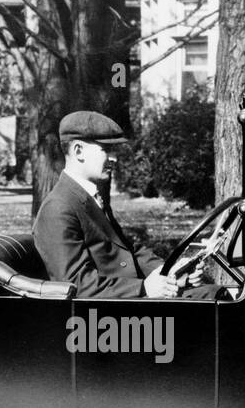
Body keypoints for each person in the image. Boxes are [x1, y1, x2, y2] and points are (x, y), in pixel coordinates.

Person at [33, 110, 223, 300]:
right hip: (105, 318)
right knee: (216, 299)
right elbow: (77, 286)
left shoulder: (87, 197)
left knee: (217, 294)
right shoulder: (58, 208)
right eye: (106, 150)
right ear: (78, 151)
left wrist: (173, 272)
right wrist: (144, 289)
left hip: (125, 302)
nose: (114, 159)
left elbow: (128, 252)